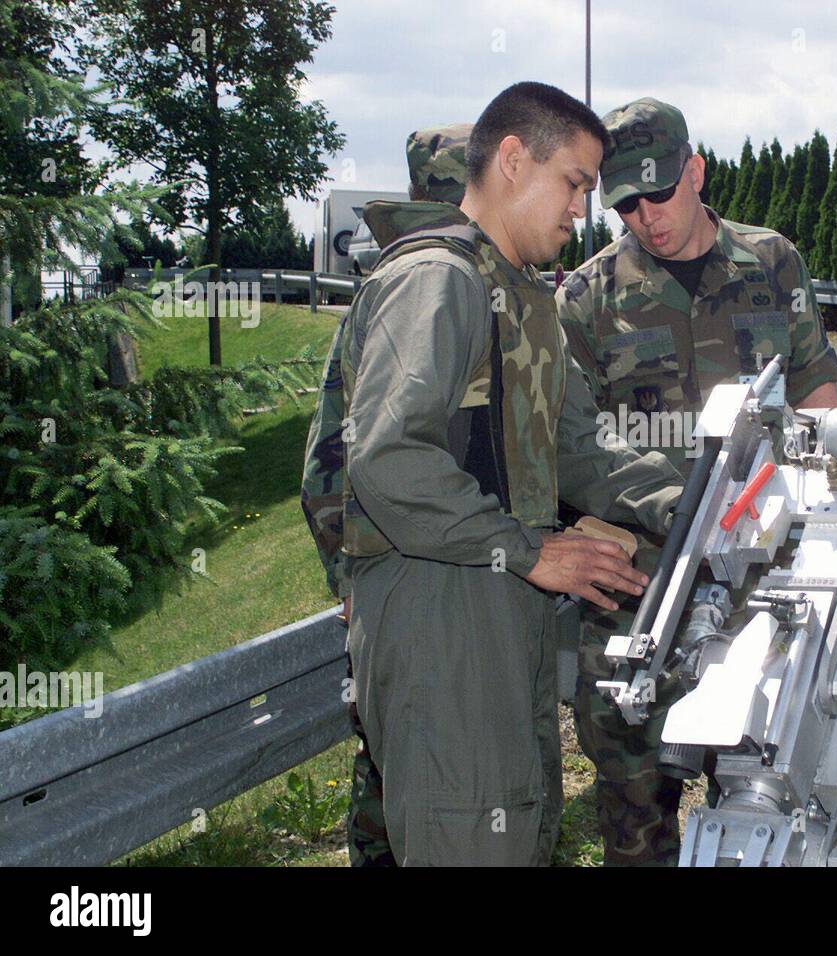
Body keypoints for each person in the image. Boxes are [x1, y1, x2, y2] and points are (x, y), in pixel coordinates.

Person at [318, 81, 684, 866]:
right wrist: (532, 551)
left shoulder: (523, 298)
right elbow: (390, 456)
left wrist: (699, 500)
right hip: (439, 608)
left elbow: (580, 446)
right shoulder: (437, 280)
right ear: (514, 160)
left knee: (512, 827)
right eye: (576, 184)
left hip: (497, 604)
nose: (582, 211)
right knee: (469, 832)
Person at [555, 97, 837, 865]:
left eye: (660, 192)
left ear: (696, 171)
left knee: (760, 809)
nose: (647, 217)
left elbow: (818, 396)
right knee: (637, 822)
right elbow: (568, 445)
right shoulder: (586, 299)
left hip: (764, 589)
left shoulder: (772, 263)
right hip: (638, 596)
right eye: (625, 204)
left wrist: (835, 520)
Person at [301, 123, 473, 866]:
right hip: (398, 581)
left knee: (400, 768)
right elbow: (333, 463)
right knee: (396, 771)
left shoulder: (420, 279)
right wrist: (350, 575)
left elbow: (321, 468)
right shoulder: (423, 285)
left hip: (415, 583)